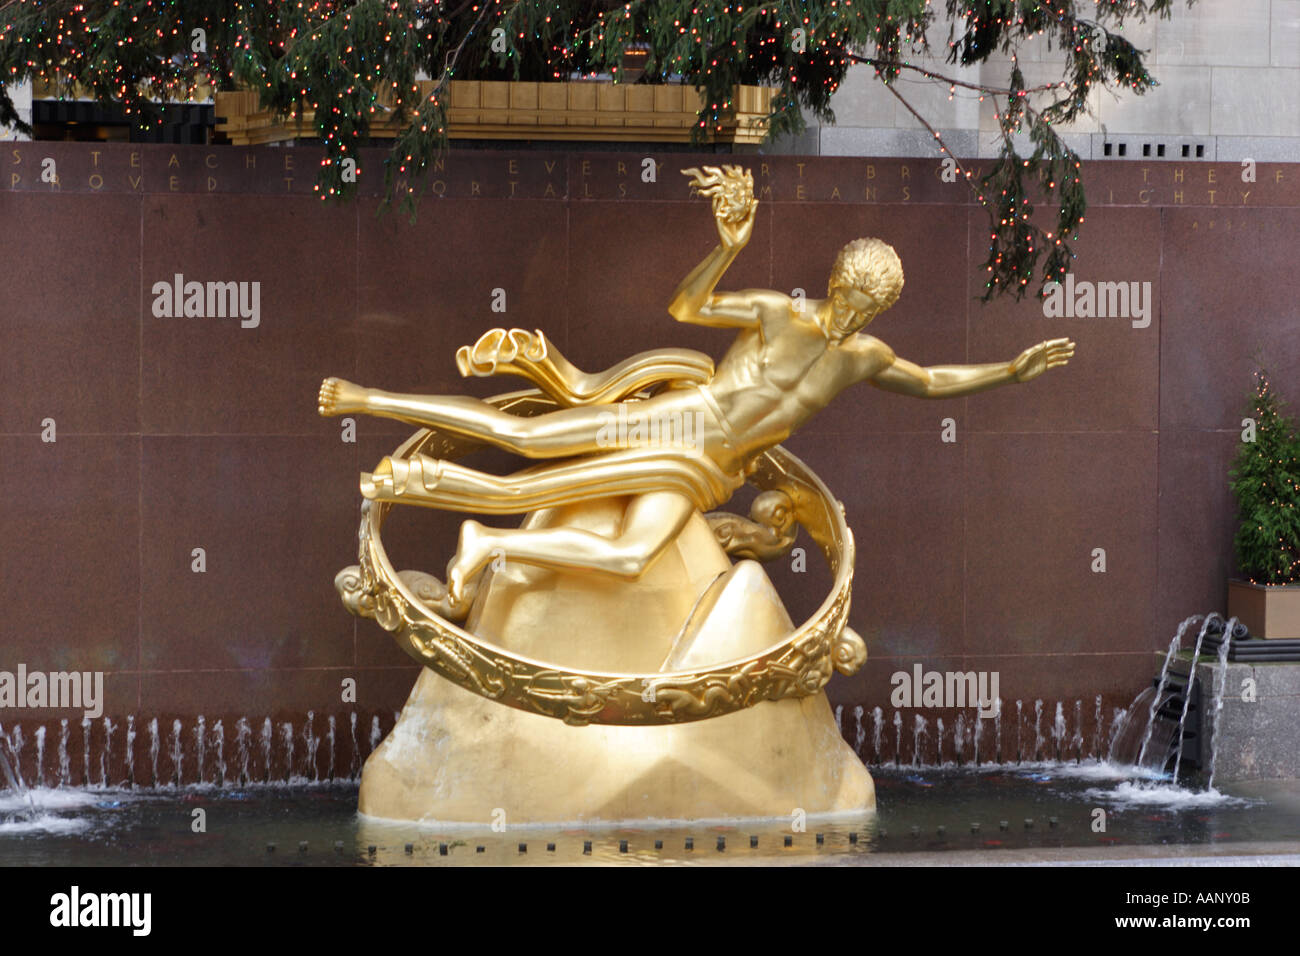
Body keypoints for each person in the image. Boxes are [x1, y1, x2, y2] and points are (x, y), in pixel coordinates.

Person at [319, 166, 1073, 611]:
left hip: (711, 474)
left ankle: (488, 544)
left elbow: (932, 381)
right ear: (836, 282)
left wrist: (1010, 371)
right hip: (679, 425)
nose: (852, 315)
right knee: (524, 439)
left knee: (629, 557)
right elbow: (689, 309)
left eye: (869, 310)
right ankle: (368, 398)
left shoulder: (865, 357)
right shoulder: (779, 312)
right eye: (849, 298)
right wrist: (728, 247)